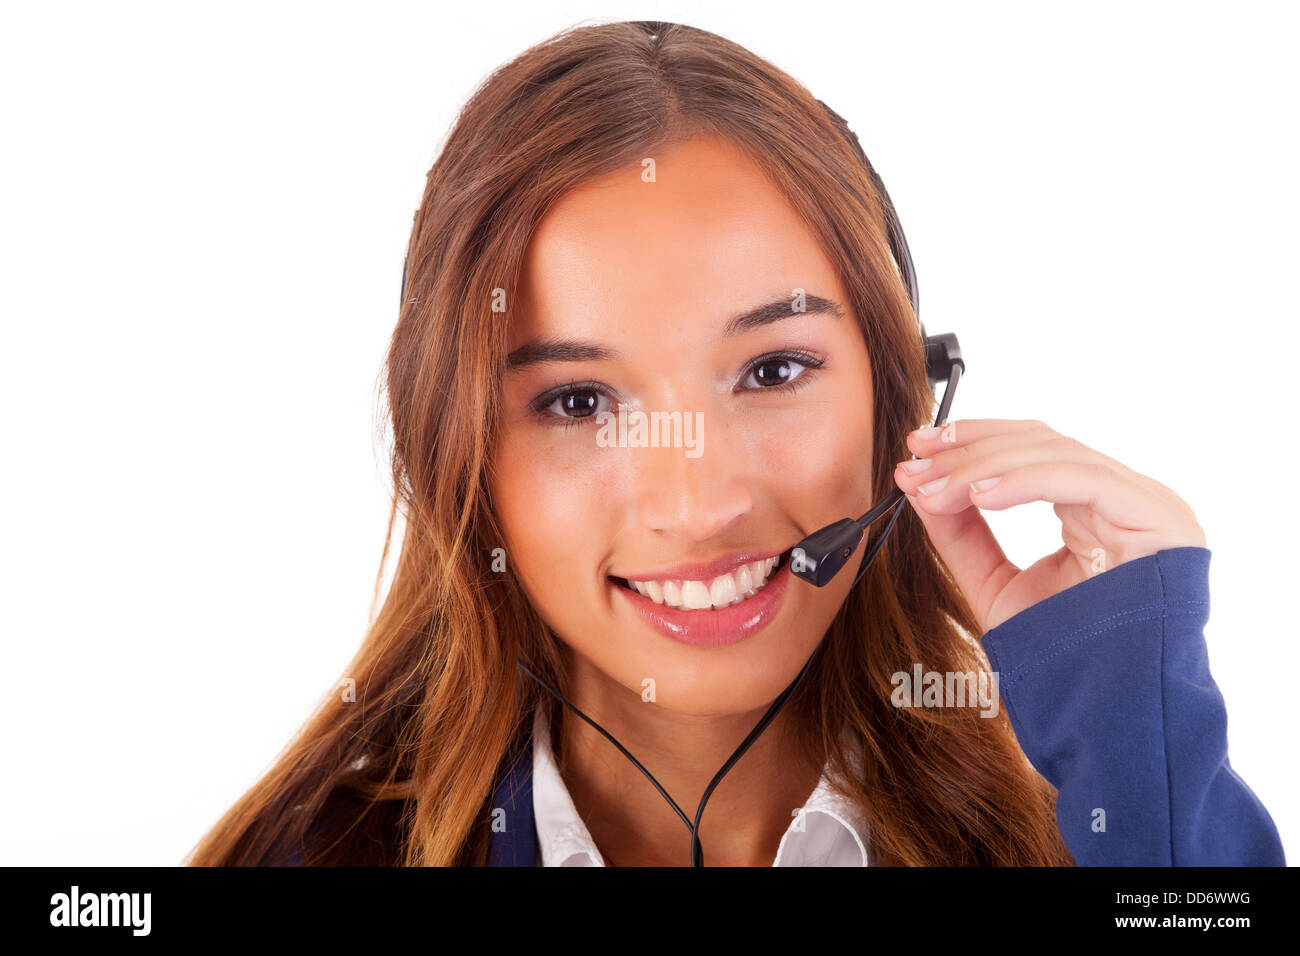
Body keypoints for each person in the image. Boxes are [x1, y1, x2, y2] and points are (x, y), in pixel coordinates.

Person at [185, 20, 1284, 867]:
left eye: (771, 370)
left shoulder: (1099, 832)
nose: (699, 501)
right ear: (457, 454)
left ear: (904, 392)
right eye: (575, 401)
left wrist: (1132, 730)